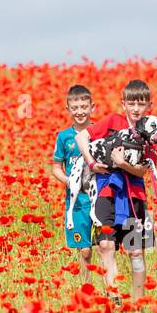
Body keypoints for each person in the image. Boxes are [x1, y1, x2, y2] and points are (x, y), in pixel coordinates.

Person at [75, 79, 157, 303]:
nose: (136, 109)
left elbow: (144, 170)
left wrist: (122, 163)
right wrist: (92, 163)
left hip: (134, 197)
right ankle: (113, 298)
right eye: (131, 104)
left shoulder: (150, 133)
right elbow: (82, 136)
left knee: (136, 252)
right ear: (123, 104)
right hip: (107, 194)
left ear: (149, 106)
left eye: (141, 104)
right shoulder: (113, 121)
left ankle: (138, 302)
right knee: (105, 245)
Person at [51, 84, 96, 273]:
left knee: (105, 246)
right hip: (77, 199)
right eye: (75, 108)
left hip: (99, 196)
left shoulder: (99, 132)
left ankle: (109, 290)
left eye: (84, 107)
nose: (80, 112)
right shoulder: (64, 137)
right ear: (68, 109)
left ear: (92, 107)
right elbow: (56, 168)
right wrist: (69, 181)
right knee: (85, 250)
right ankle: (86, 290)